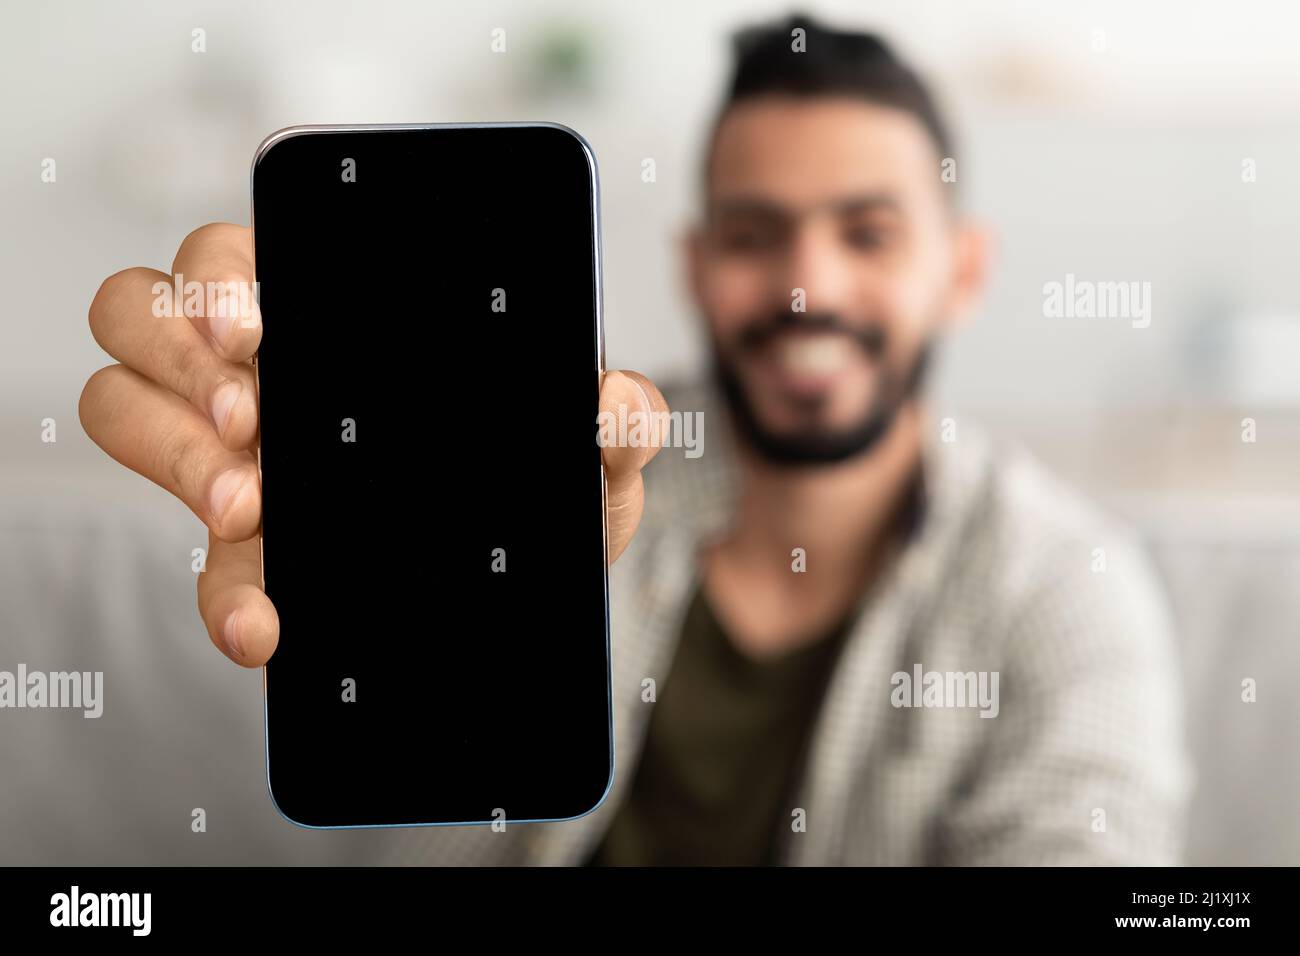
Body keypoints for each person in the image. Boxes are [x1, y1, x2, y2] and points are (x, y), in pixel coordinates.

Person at [80, 12, 1191, 866]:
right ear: (697, 266)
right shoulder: (573, 454)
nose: (807, 284)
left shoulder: (1062, 591)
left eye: (868, 231)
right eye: (754, 233)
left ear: (961, 269)